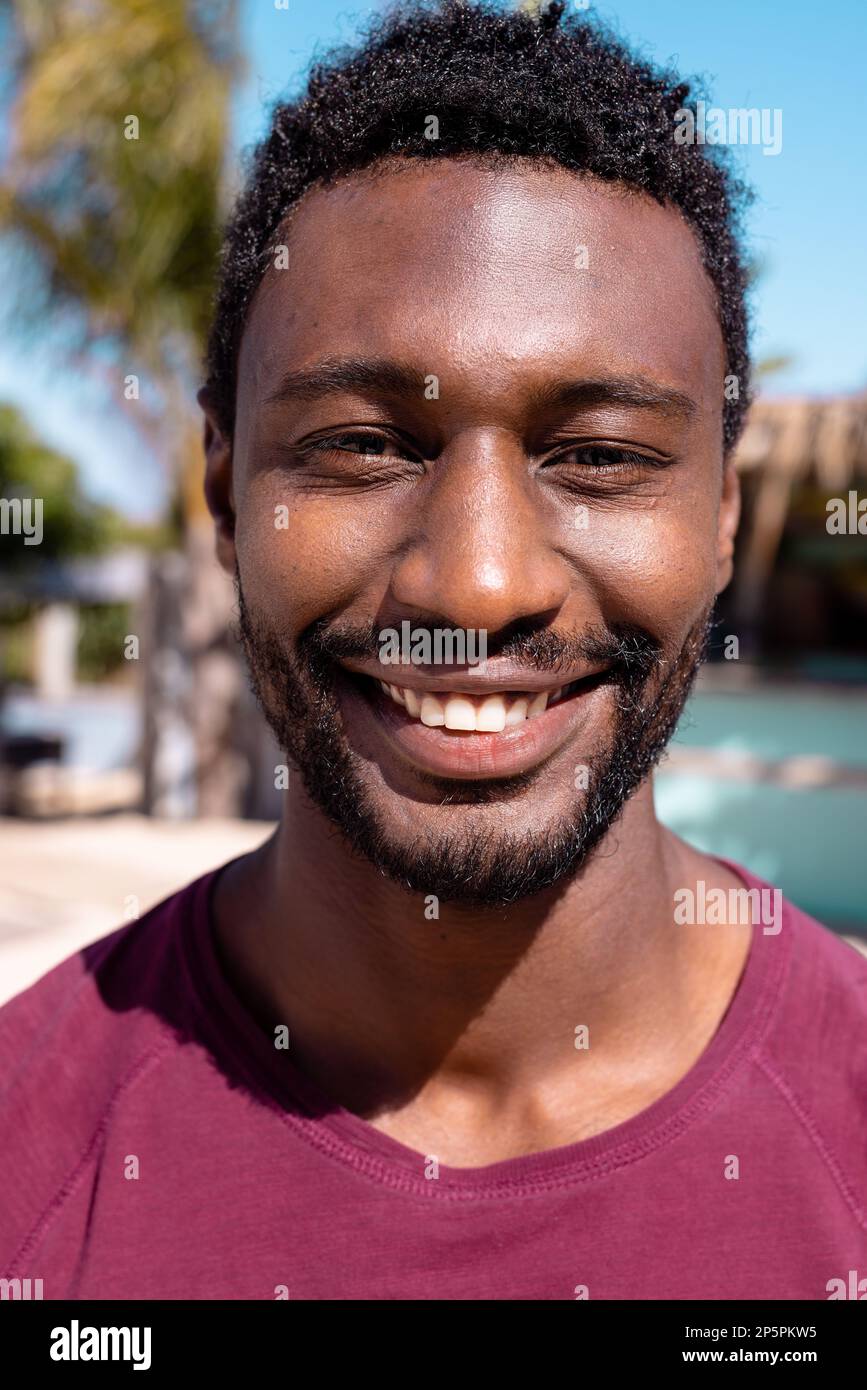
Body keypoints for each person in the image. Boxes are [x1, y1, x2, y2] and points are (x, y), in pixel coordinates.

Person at [2, 0, 864, 1301]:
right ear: (226, 489)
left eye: (601, 457)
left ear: (723, 515)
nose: (482, 579)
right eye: (363, 444)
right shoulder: (29, 1152)